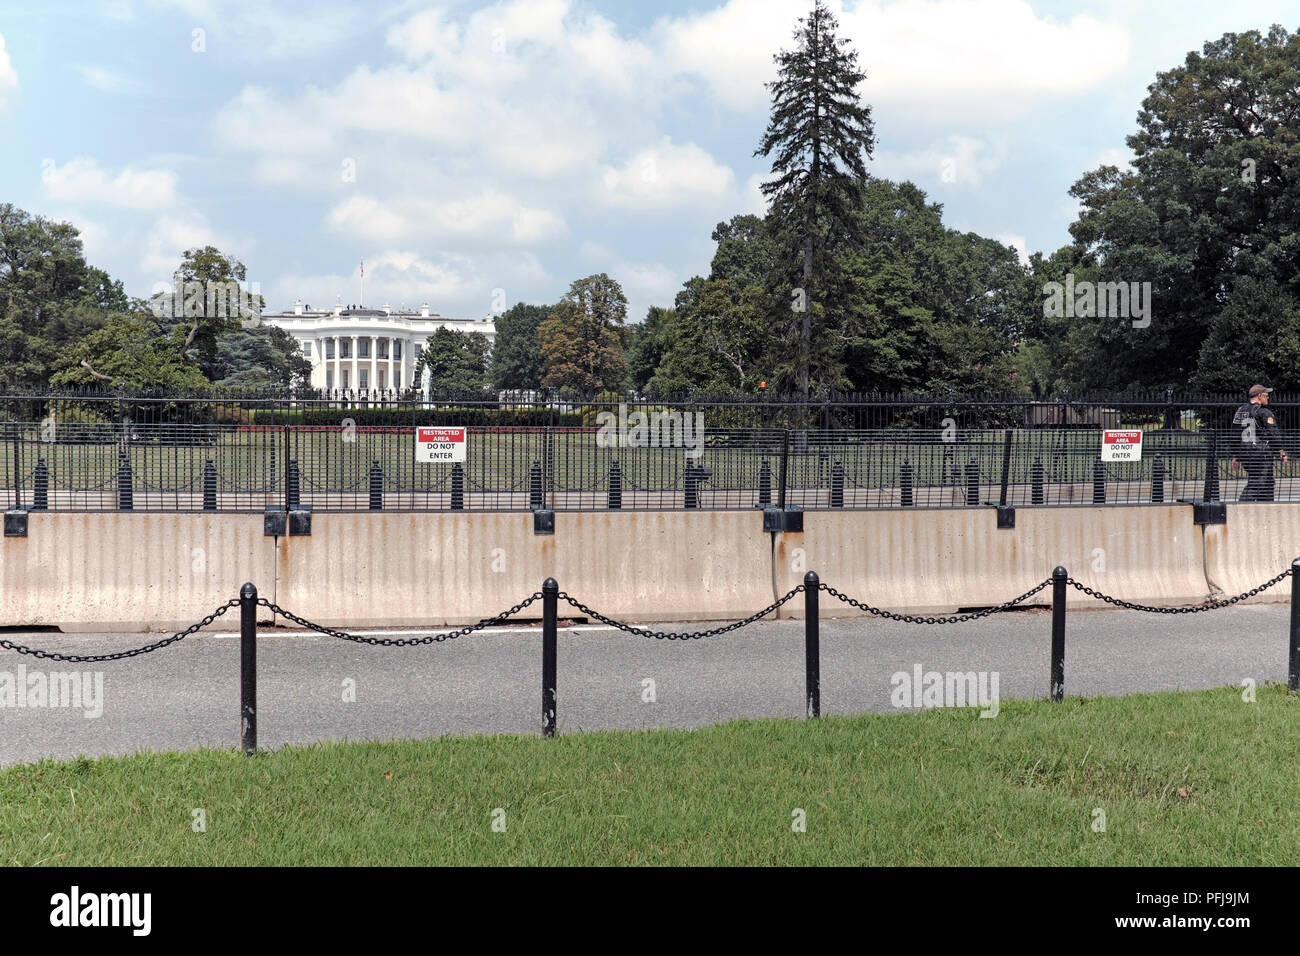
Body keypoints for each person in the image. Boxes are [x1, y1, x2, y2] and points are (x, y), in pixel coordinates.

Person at [1233, 384, 1287, 501]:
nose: (1268, 397)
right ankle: (1241, 508)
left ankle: (1266, 510)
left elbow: (1235, 434)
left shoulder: (1240, 411)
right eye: (1266, 395)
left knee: (1267, 483)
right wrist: (1281, 450)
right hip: (1260, 453)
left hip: (1244, 453)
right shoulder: (1263, 412)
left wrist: (1236, 455)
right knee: (1258, 483)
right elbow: (1274, 433)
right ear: (1259, 396)